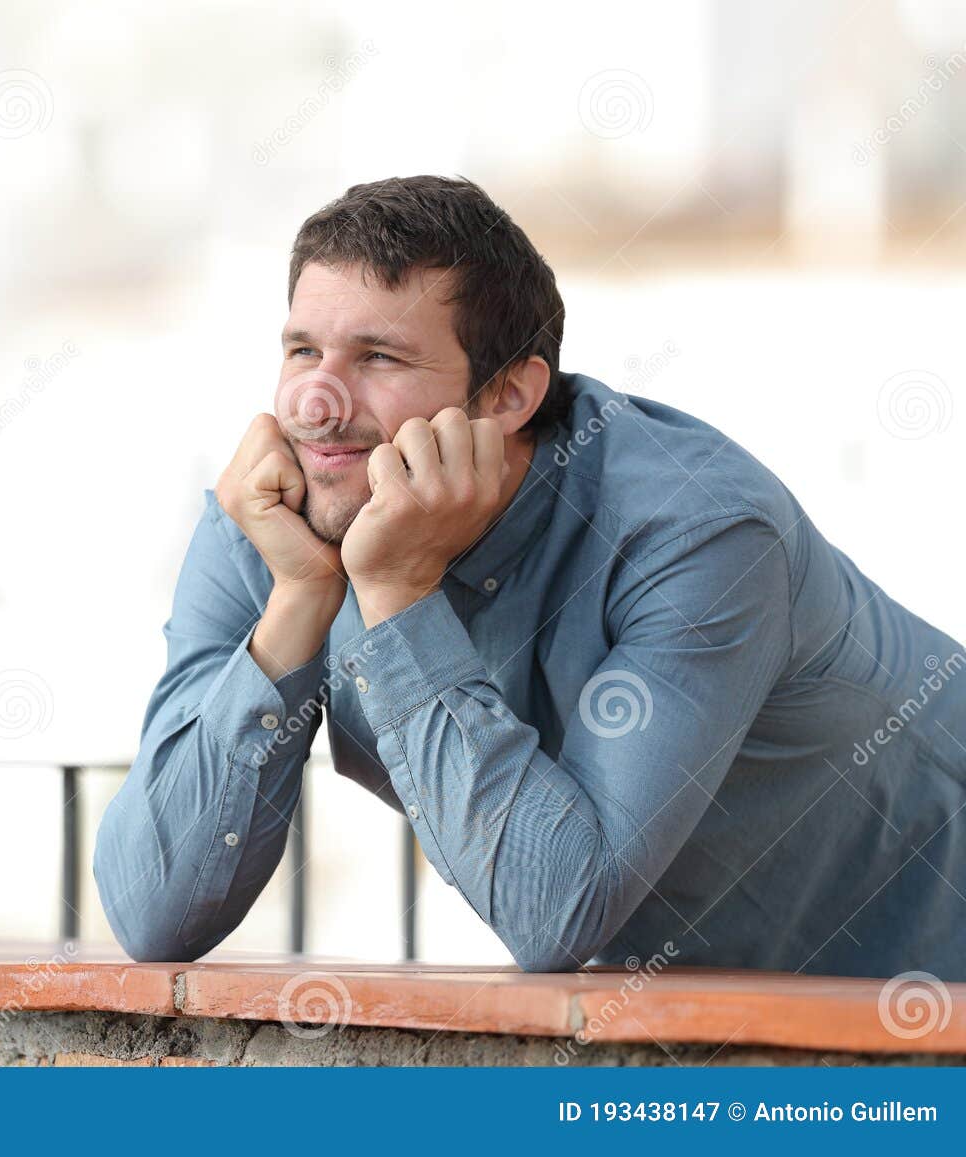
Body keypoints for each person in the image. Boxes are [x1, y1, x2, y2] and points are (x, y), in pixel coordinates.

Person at [93, 175, 966, 978]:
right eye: (301, 351)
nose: (315, 402)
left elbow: (557, 912)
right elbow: (153, 912)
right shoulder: (283, 512)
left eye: (378, 359)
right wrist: (299, 600)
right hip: (698, 1016)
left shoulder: (698, 533)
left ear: (508, 395)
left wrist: (397, 592)